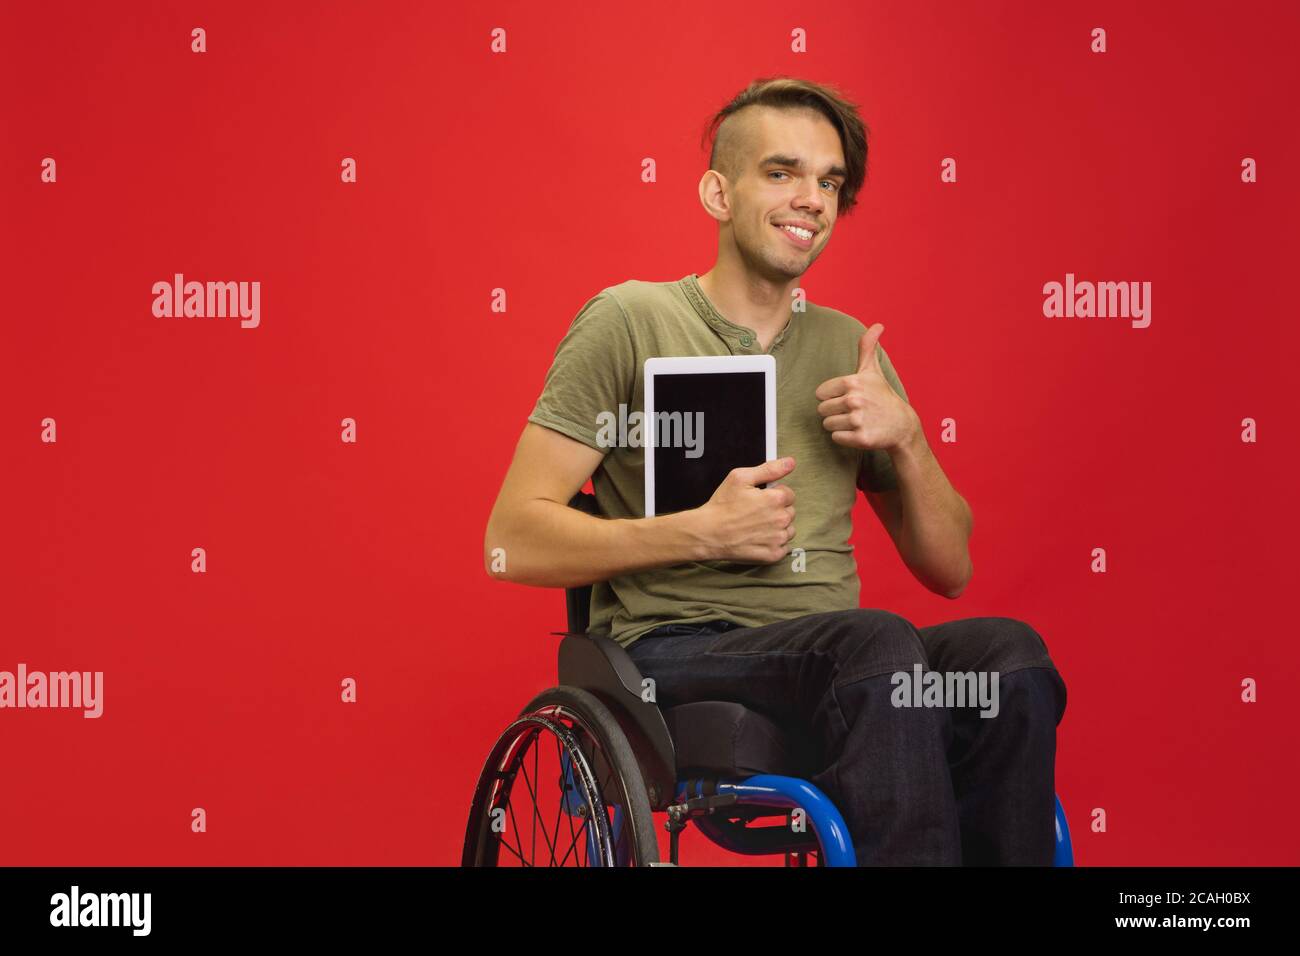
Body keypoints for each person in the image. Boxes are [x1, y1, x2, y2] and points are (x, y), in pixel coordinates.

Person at [484, 75, 1067, 865]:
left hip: (836, 654)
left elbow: (951, 570)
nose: (813, 199)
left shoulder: (846, 347)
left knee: (1009, 655)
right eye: (782, 172)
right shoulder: (630, 320)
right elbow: (511, 540)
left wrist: (909, 440)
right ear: (718, 193)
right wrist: (697, 532)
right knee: (875, 647)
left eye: (830, 182)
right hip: (674, 647)